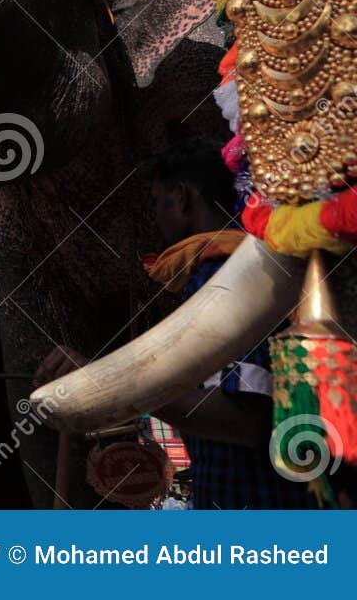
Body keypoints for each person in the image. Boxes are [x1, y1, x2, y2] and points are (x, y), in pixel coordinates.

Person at [35, 140, 317, 509]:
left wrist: (110, 384)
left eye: (156, 202)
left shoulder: (224, 276)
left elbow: (246, 421)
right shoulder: (233, 271)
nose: (154, 216)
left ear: (182, 199)